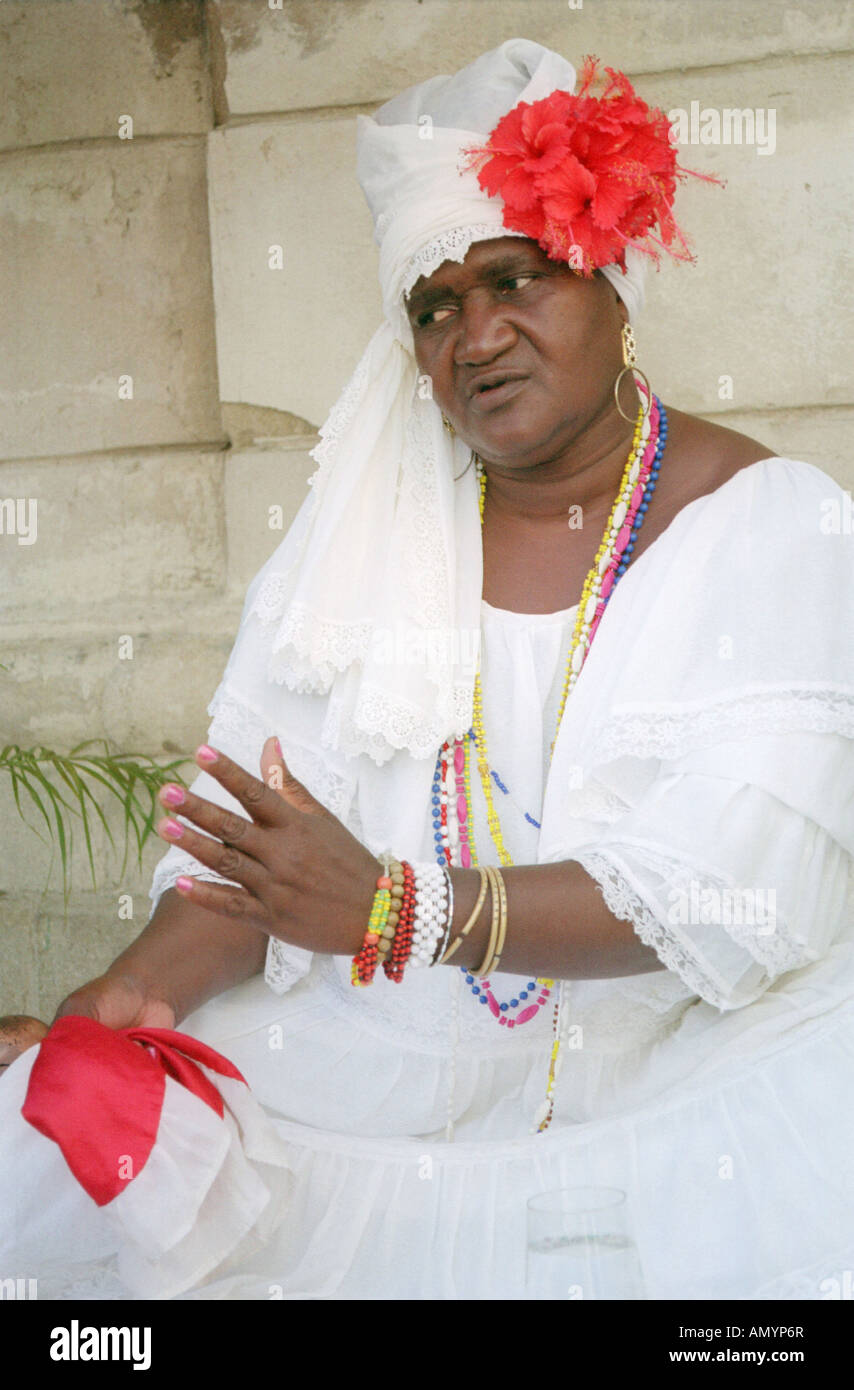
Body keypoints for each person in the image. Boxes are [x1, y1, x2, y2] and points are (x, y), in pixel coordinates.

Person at [1, 38, 853, 1302]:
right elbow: (247, 869)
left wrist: (399, 908)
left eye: (517, 279)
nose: (476, 334)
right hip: (394, 1075)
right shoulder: (360, 542)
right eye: (435, 304)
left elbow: (730, 900)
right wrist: (125, 996)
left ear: (612, 289)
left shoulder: (772, 524)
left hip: (692, 1074)